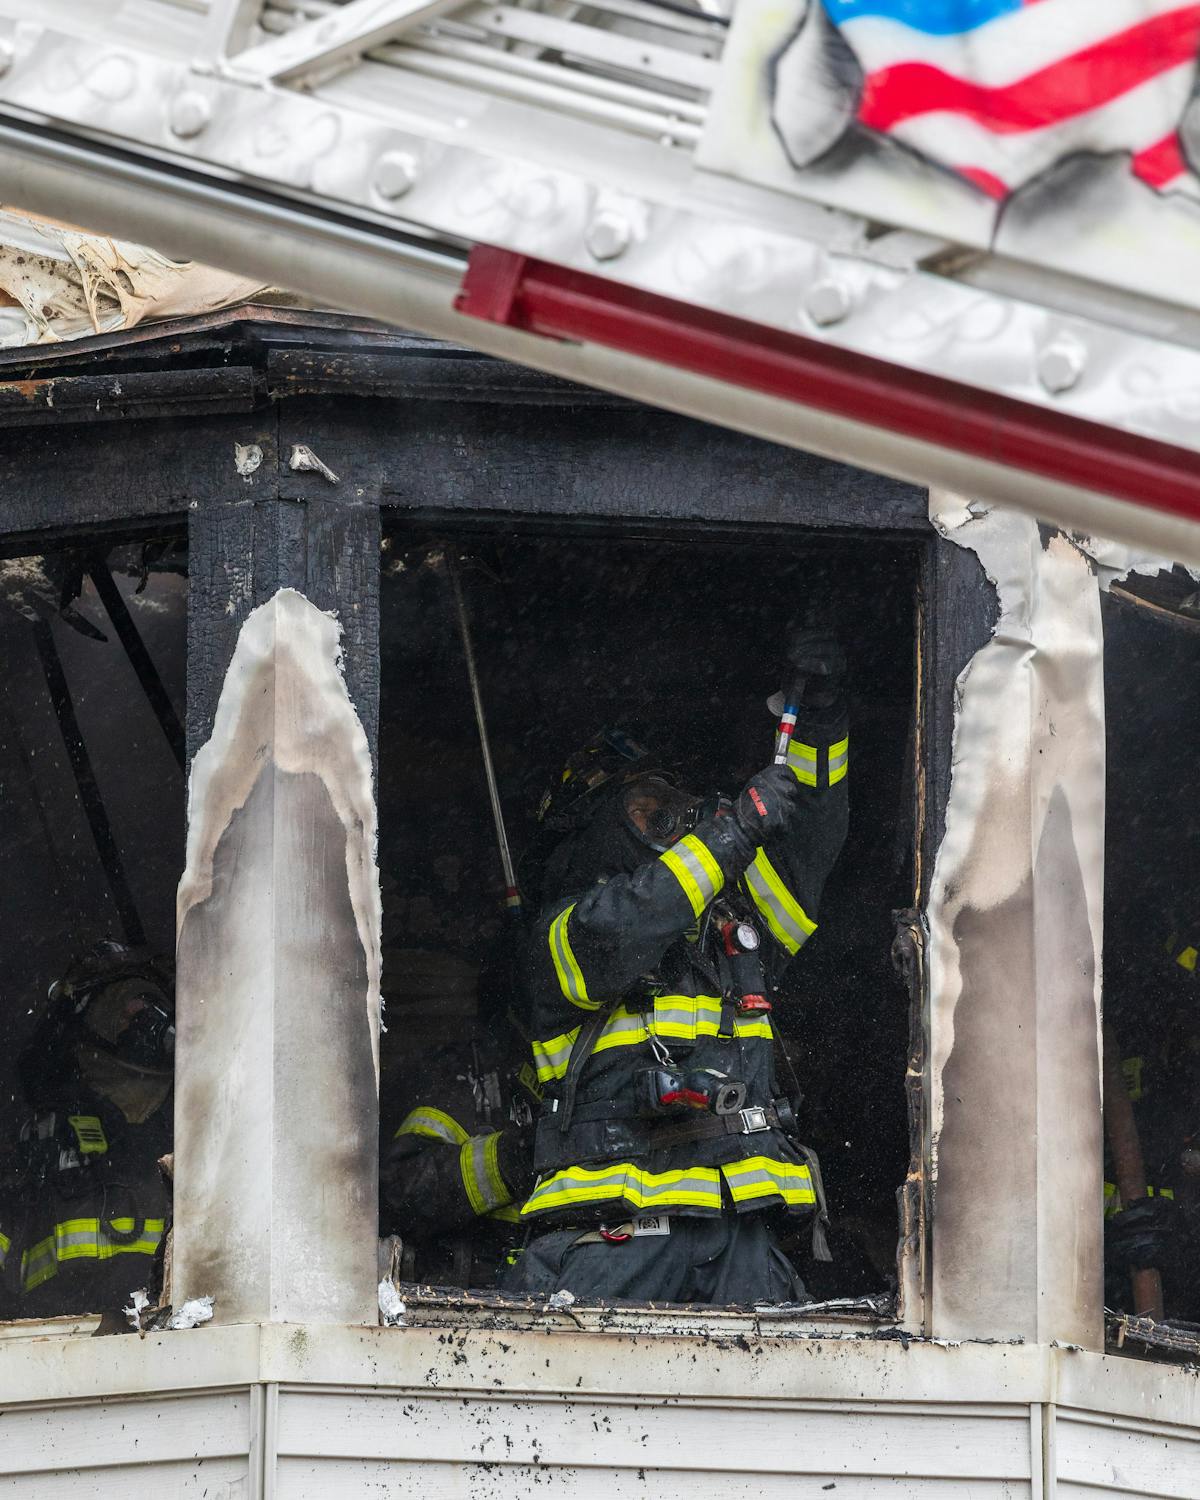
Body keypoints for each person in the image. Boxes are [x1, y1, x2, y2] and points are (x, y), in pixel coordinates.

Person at [501, 629, 849, 1305]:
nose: (678, 825)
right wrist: (731, 833)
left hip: (741, 1240)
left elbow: (810, 831)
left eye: (681, 812)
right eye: (651, 813)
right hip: (610, 1245)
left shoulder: (743, 926)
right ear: (596, 834)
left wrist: (823, 716)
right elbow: (627, 923)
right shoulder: (559, 937)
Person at [0, 941, 174, 1320]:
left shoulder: (201, 1122)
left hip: (169, 1358)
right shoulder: (45, 1137)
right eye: (127, 1003)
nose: (145, 1016)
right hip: (45, 1350)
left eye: (150, 1001)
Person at [379, 1022, 538, 1286]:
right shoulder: (461, 1076)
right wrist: (510, 1161)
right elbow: (397, 1194)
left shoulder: (577, 1080)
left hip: (542, 1291)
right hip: (459, 1299)